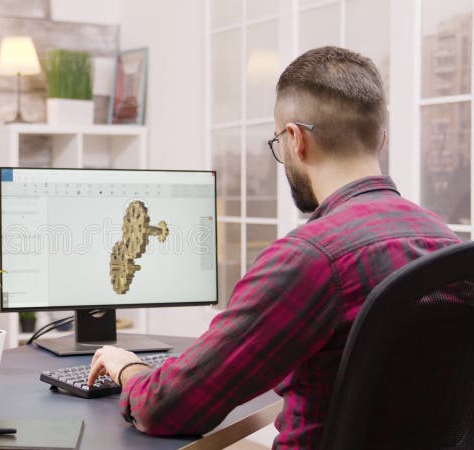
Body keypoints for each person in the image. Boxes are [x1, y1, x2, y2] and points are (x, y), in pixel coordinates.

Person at [87, 46, 462, 448]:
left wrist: (130, 369)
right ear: (381, 140)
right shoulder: (446, 243)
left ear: (295, 139)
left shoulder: (312, 258)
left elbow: (168, 406)